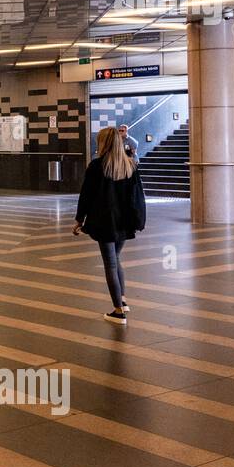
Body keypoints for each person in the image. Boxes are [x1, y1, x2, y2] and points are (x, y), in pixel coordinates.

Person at [73, 126, 147, 326]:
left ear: (104, 143)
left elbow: (86, 196)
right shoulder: (130, 166)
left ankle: (118, 312)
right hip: (125, 222)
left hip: (105, 222)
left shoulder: (97, 166)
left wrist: (79, 220)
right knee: (116, 259)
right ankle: (122, 299)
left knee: (111, 264)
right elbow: (138, 197)